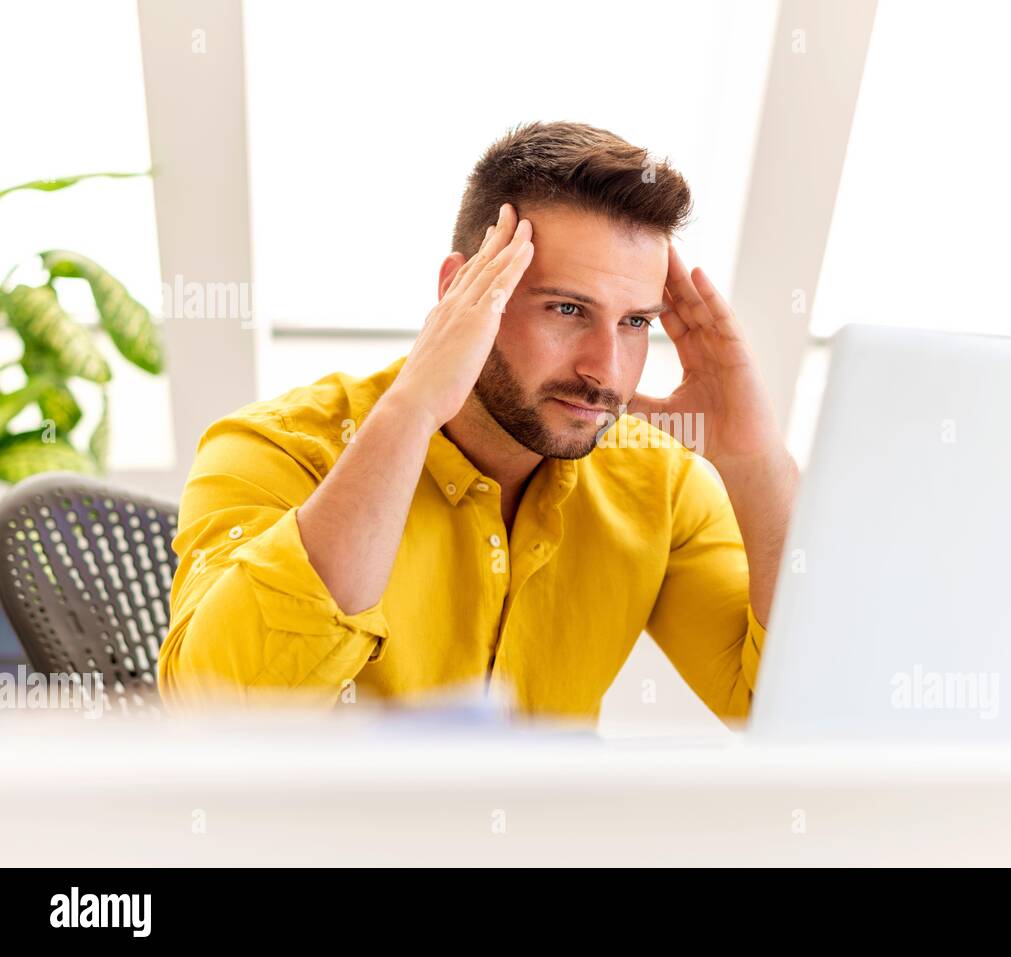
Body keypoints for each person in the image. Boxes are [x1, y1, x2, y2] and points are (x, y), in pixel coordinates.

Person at [158, 121, 799, 727]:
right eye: (568, 308)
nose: (606, 369)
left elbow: (789, 715)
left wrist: (757, 463)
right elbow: (217, 716)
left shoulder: (661, 483)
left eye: (636, 322)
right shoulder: (271, 450)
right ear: (460, 289)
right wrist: (412, 411)